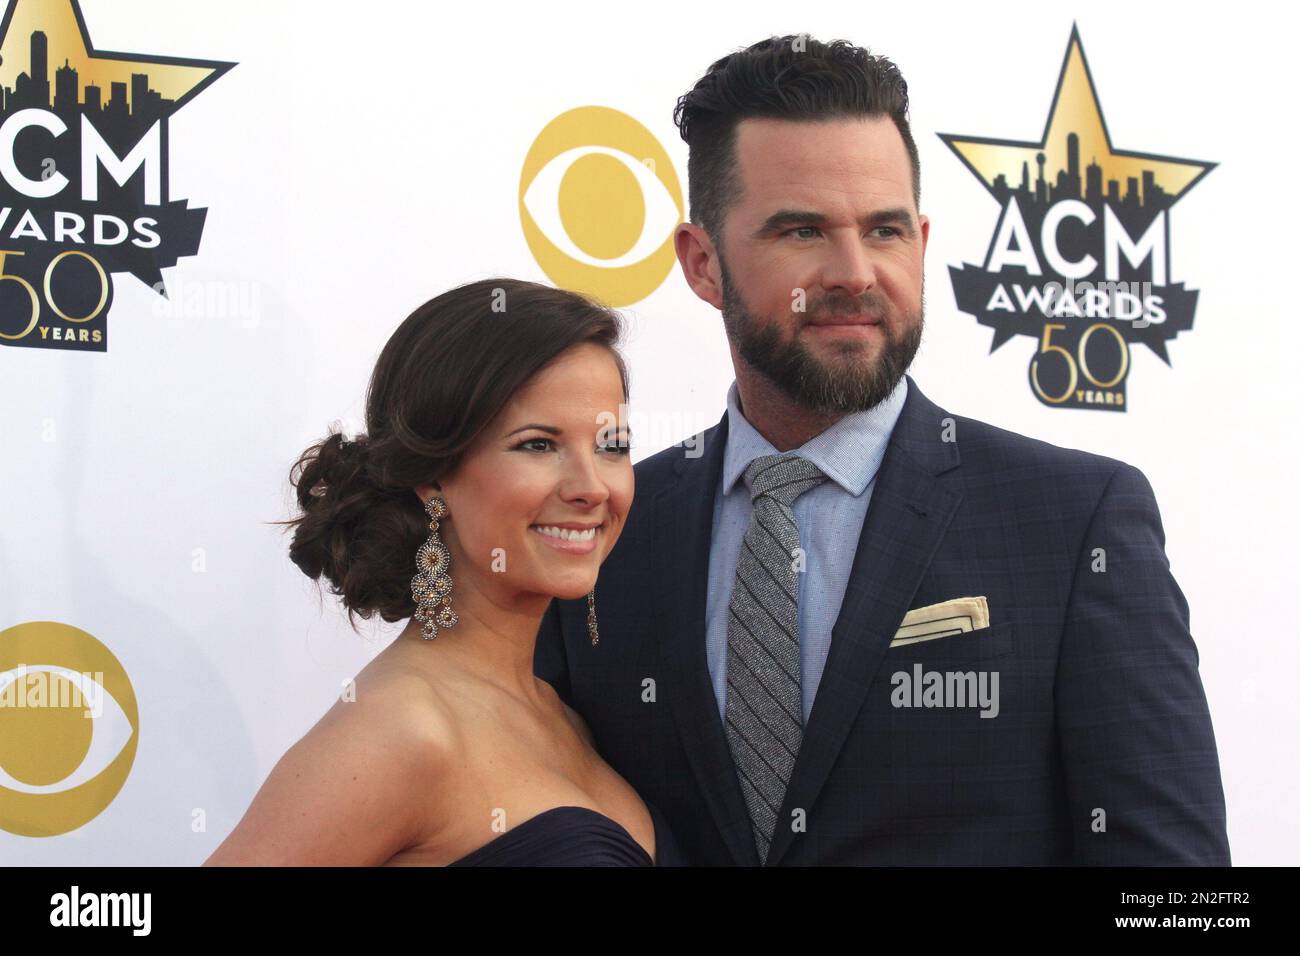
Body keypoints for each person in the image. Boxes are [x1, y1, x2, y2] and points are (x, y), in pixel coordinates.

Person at [534, 35, 1230, 865]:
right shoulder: (609, 531)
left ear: (923, 242)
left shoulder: (1075, 522)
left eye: (886, 230)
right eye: (801, 231)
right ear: (703, 263)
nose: (855, 272)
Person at [205, 278, 686, 866]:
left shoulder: (564, 714)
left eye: (612, 445)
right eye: (537, 446)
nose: (590, 487)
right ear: (434, 478)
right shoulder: (401, 730)